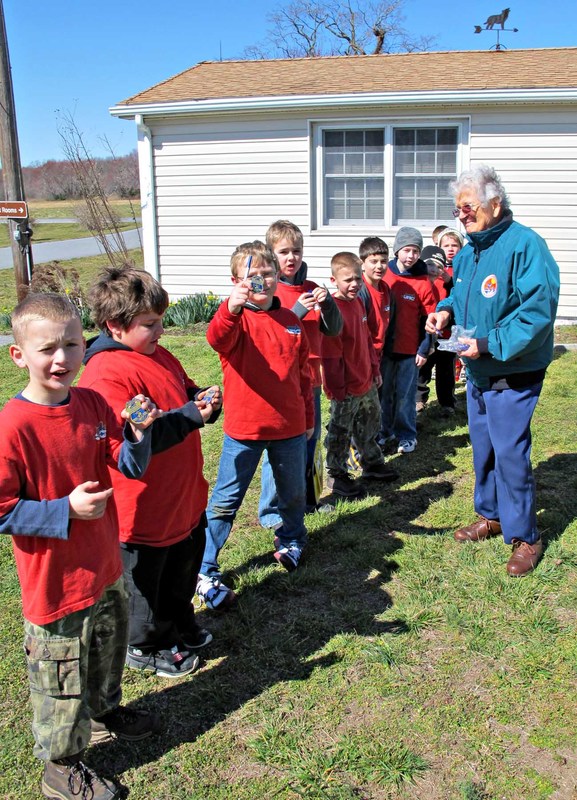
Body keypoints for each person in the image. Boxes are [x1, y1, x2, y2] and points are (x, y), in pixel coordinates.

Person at [0, 293, 160, 800]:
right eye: (47, 348)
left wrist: (137, 434)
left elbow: (123, 459)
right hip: (56, 585)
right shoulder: (12, 426)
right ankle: (61, 766)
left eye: (72, 344)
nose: (62, 358)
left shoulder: (90, 403)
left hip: (105, 567)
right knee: (60, 676)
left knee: (107, 653)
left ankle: (105, 710)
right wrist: (63, 510)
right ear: (19, 355)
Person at [79, 267, 222, 678]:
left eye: (161, 319)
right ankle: (145, 644)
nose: (161, 329)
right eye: (149, 323)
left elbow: (182, 387)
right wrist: (190, 416)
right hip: (143, 509)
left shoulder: (157, 354)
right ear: (114, 326)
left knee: (182, 567)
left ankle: (178, 622)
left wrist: (200, 397)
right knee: (147, 584)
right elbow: (132, 442)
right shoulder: (106, 373)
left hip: (181, 497)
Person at [426, 165, 560, 577]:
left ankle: (526, 536)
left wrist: (488, 343)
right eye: (457, 210)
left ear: (495, 204)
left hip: (512, 369)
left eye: (468, 207)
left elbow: (536, 313)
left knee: (510, 454)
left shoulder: (526, 245)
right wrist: (444, 312)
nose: (461, 216)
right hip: (478, 370)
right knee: (483, 448)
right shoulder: (468, 252)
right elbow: (459, 295)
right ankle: (492, 515)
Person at [197, 240, 314, 610]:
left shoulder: (291, 320)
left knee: (293, 492)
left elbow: (303, 375)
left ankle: (291, 539)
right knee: (225, 500)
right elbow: (216, 338)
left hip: (289, 428)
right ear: (236, 281)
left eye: (267, 273)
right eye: (252, 276)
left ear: (277, 277)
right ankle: (204, 565)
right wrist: (231, 307)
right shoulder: (235, 321)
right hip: (244, 430)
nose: (261, 280)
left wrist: (308, 418)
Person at [258, 220, 342, 527]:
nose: (291, 257)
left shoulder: (311, 287)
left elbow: (333, 330)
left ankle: (308, 500)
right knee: (279, 447)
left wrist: (328, 305)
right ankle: (271, 511)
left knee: (310, 440)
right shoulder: (268, 291)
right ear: (271, 254)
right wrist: (296, 312)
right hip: (282, 382)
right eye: (283, 252)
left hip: (311, 380)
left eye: (296, 250)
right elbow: (267, 335)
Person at [321, 252, 396, 498]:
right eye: (347, 280)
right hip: (345, 387)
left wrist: (374, 369)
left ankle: (372, 463)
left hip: (366, 381)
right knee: (340, 431)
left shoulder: (358, 303)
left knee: (371, 422)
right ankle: (336, 474)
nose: (354, 284)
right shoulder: (333, 312)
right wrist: (337, 389)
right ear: (334, 281)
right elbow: (330, 356)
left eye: (357, 279)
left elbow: (366, 340)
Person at [380, 227, 438, 454]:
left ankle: (407, 435)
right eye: (406, 250)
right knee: (384, 394)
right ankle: (384, 432)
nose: (411, 255)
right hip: (385, 349)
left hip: (409, 350)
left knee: (405, 395)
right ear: (397, 250)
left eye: (415, 251)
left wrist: (424, 348)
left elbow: (429, 319)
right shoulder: (385, 274)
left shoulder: (423, 282)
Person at [415, 245, 457, 417]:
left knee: (446, 371)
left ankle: (447, 403)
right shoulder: (418, 284)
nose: (433, 269)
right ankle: (418, 400)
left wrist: (450, 282)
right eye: (430, 264)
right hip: (423, 337)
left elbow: (456, 298)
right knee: (422, 371)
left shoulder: (448, 283)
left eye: (439, 266)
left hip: (445, 336)